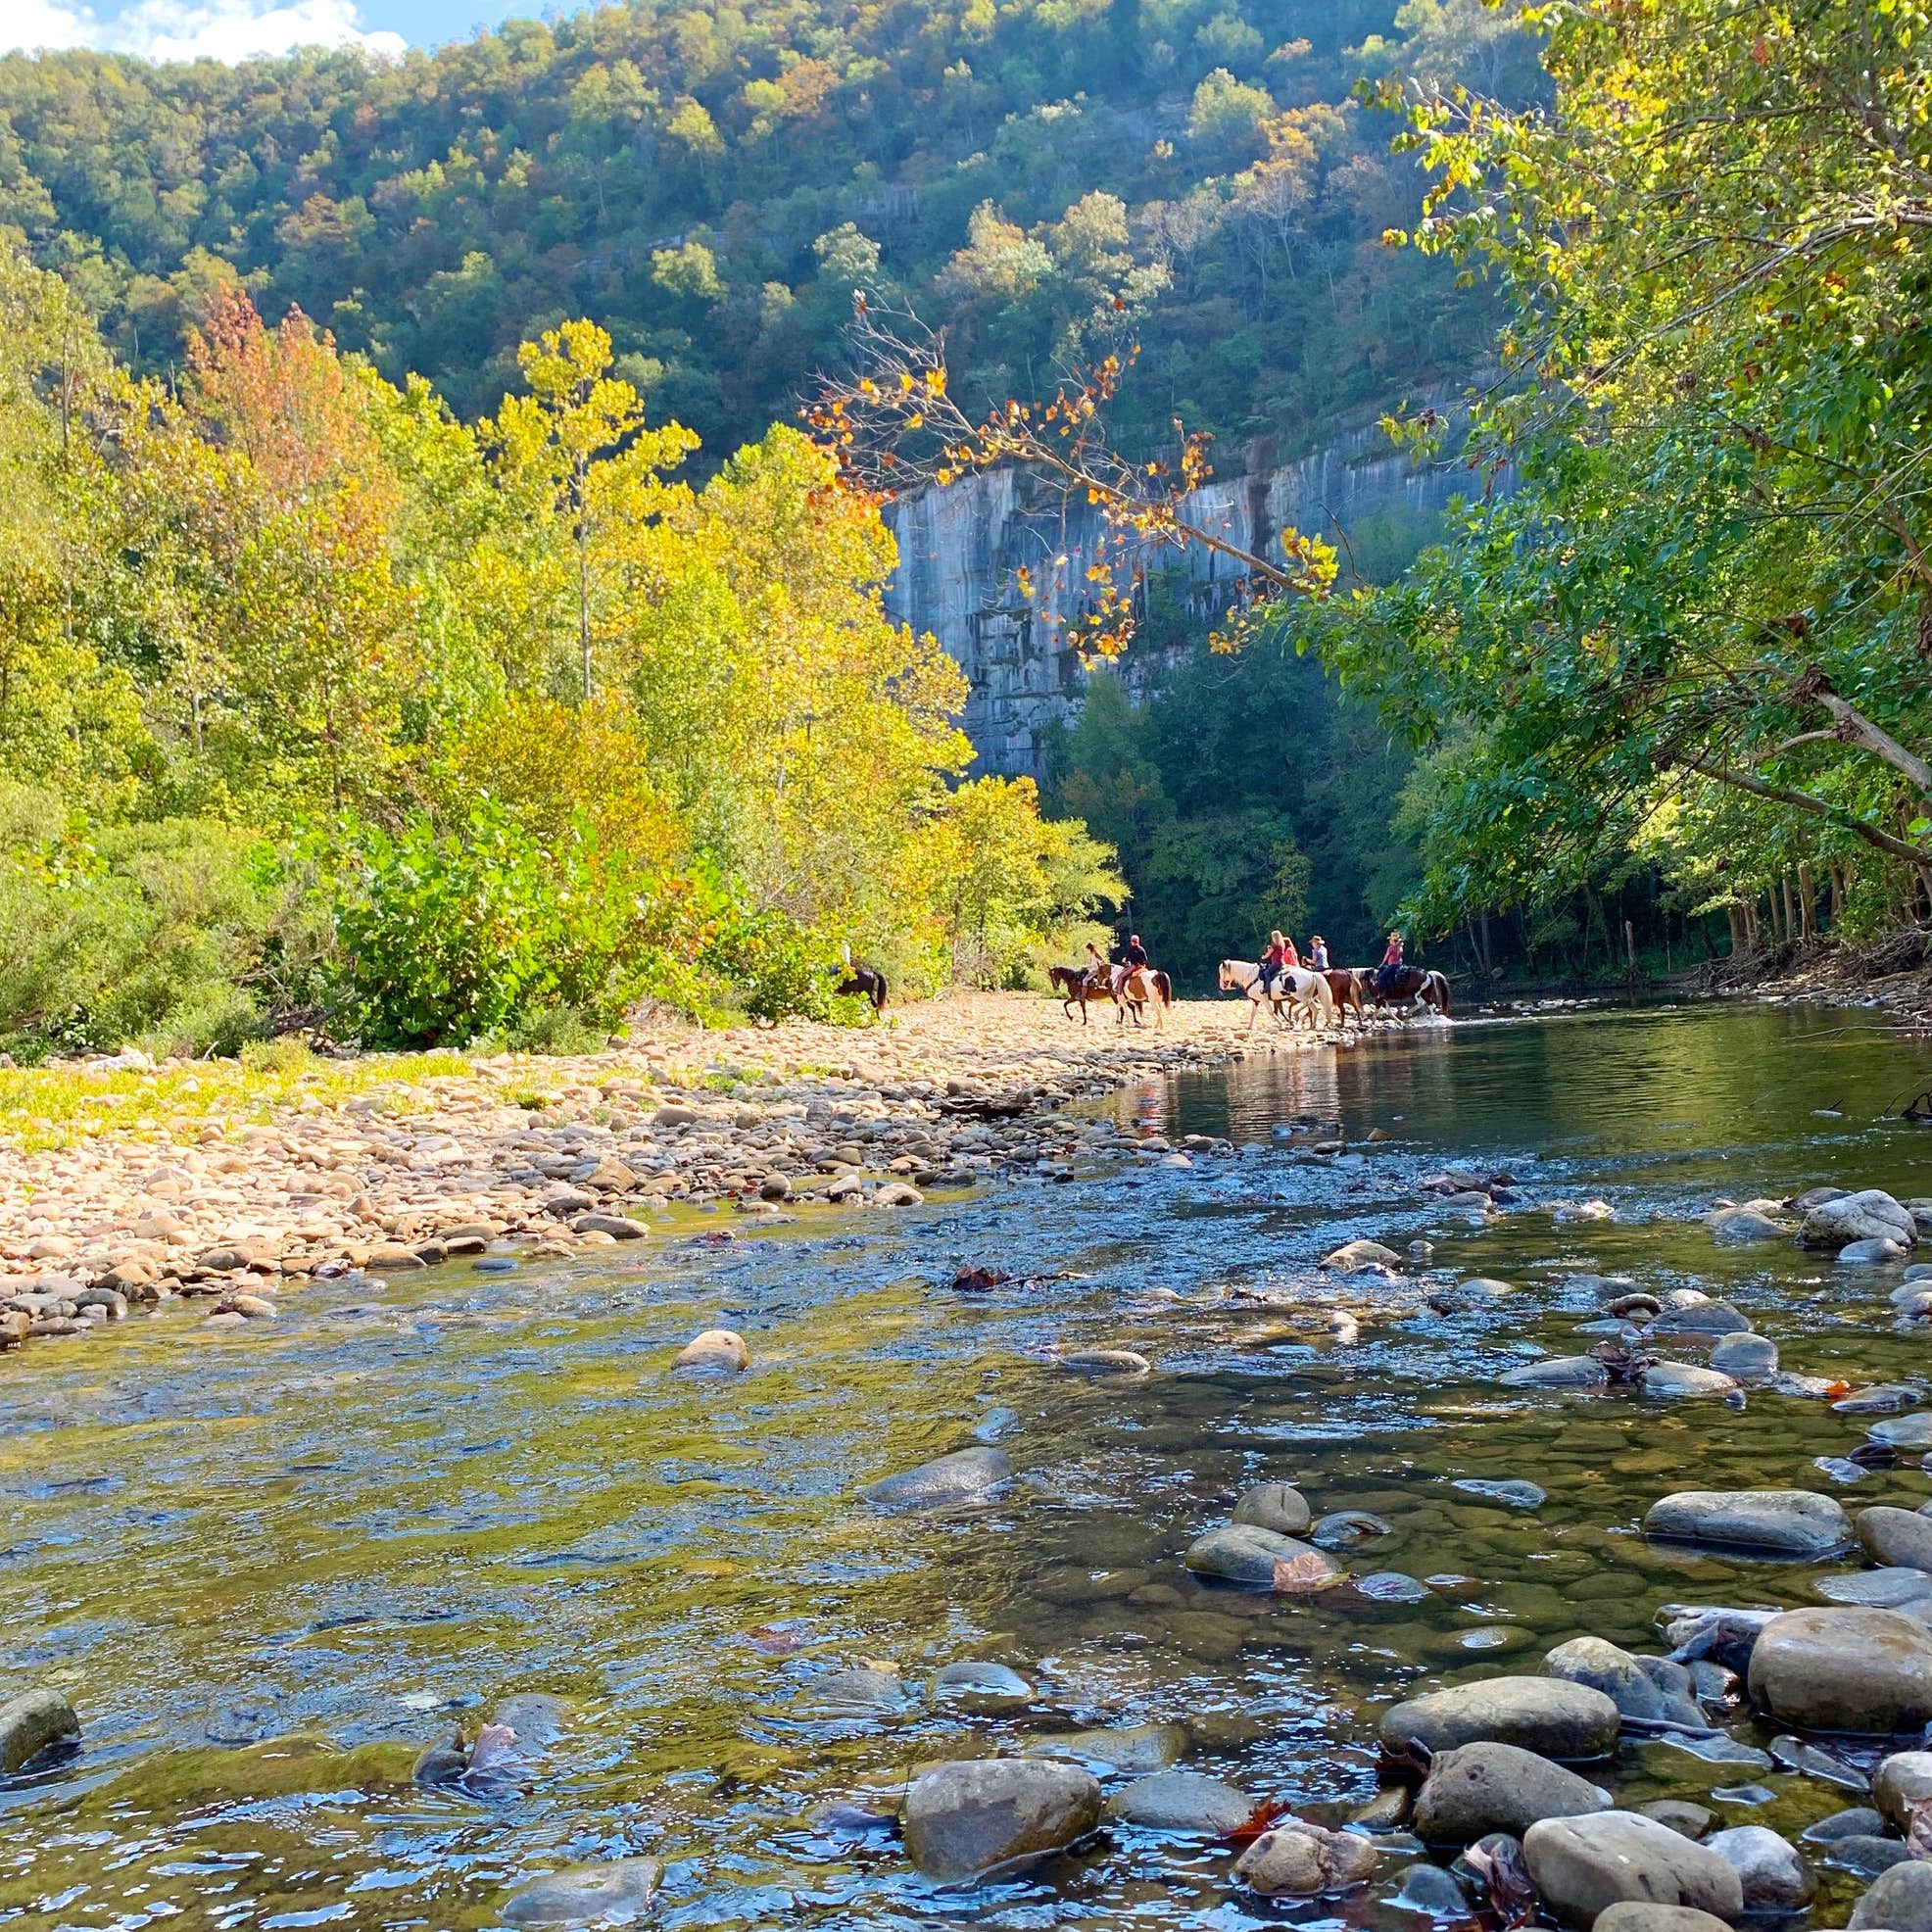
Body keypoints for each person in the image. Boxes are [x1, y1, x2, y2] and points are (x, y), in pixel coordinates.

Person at [1258, 930, 1288, 994]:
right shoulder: (1282, 944)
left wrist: (1263, 957)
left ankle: (1267, 989)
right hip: (1281, 962)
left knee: (1266, 973)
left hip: (1276, 962)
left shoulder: (1275, 945)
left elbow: (1268, 954)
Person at [1377, 930, 1406, 996]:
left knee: (1381, 977)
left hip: (1392, 965)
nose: (1389, 941)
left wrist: (1382, 964)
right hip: (1399, 965)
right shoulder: (1400, 947)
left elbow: (1386, 957)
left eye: (1390, 940)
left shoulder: (1391, 948)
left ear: (1392, 941)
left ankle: (1384, 991)